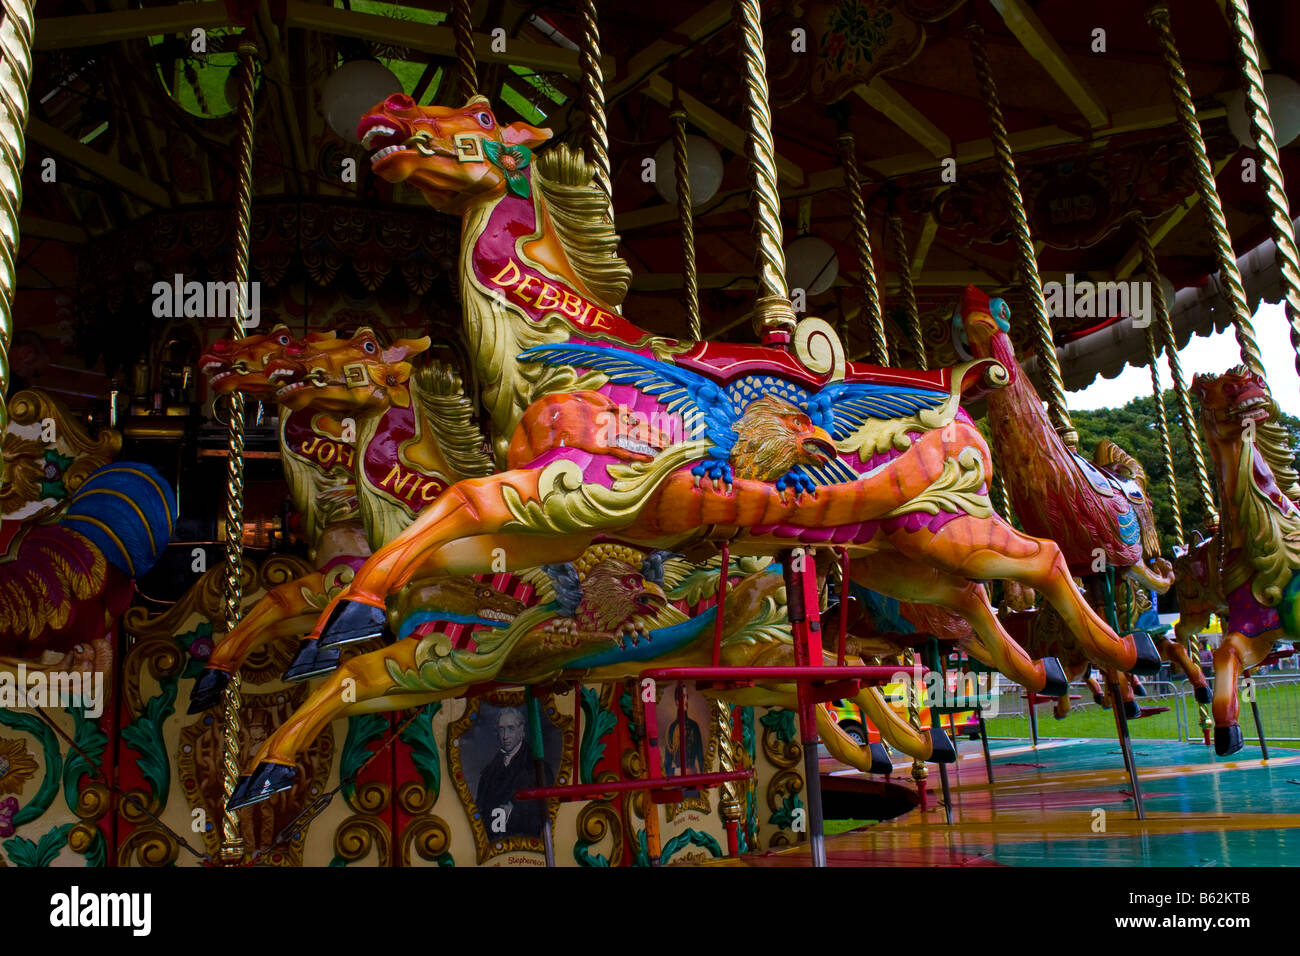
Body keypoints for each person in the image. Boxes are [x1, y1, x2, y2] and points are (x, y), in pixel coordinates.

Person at [475, 707, 550, 838]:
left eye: (510, 728)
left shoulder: (538, 768)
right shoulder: (488, 772)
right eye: (501, 729)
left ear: (521, 731)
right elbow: (480, 812)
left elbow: (547, 814)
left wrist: (513, 814)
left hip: (527, 847)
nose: (505, 736)